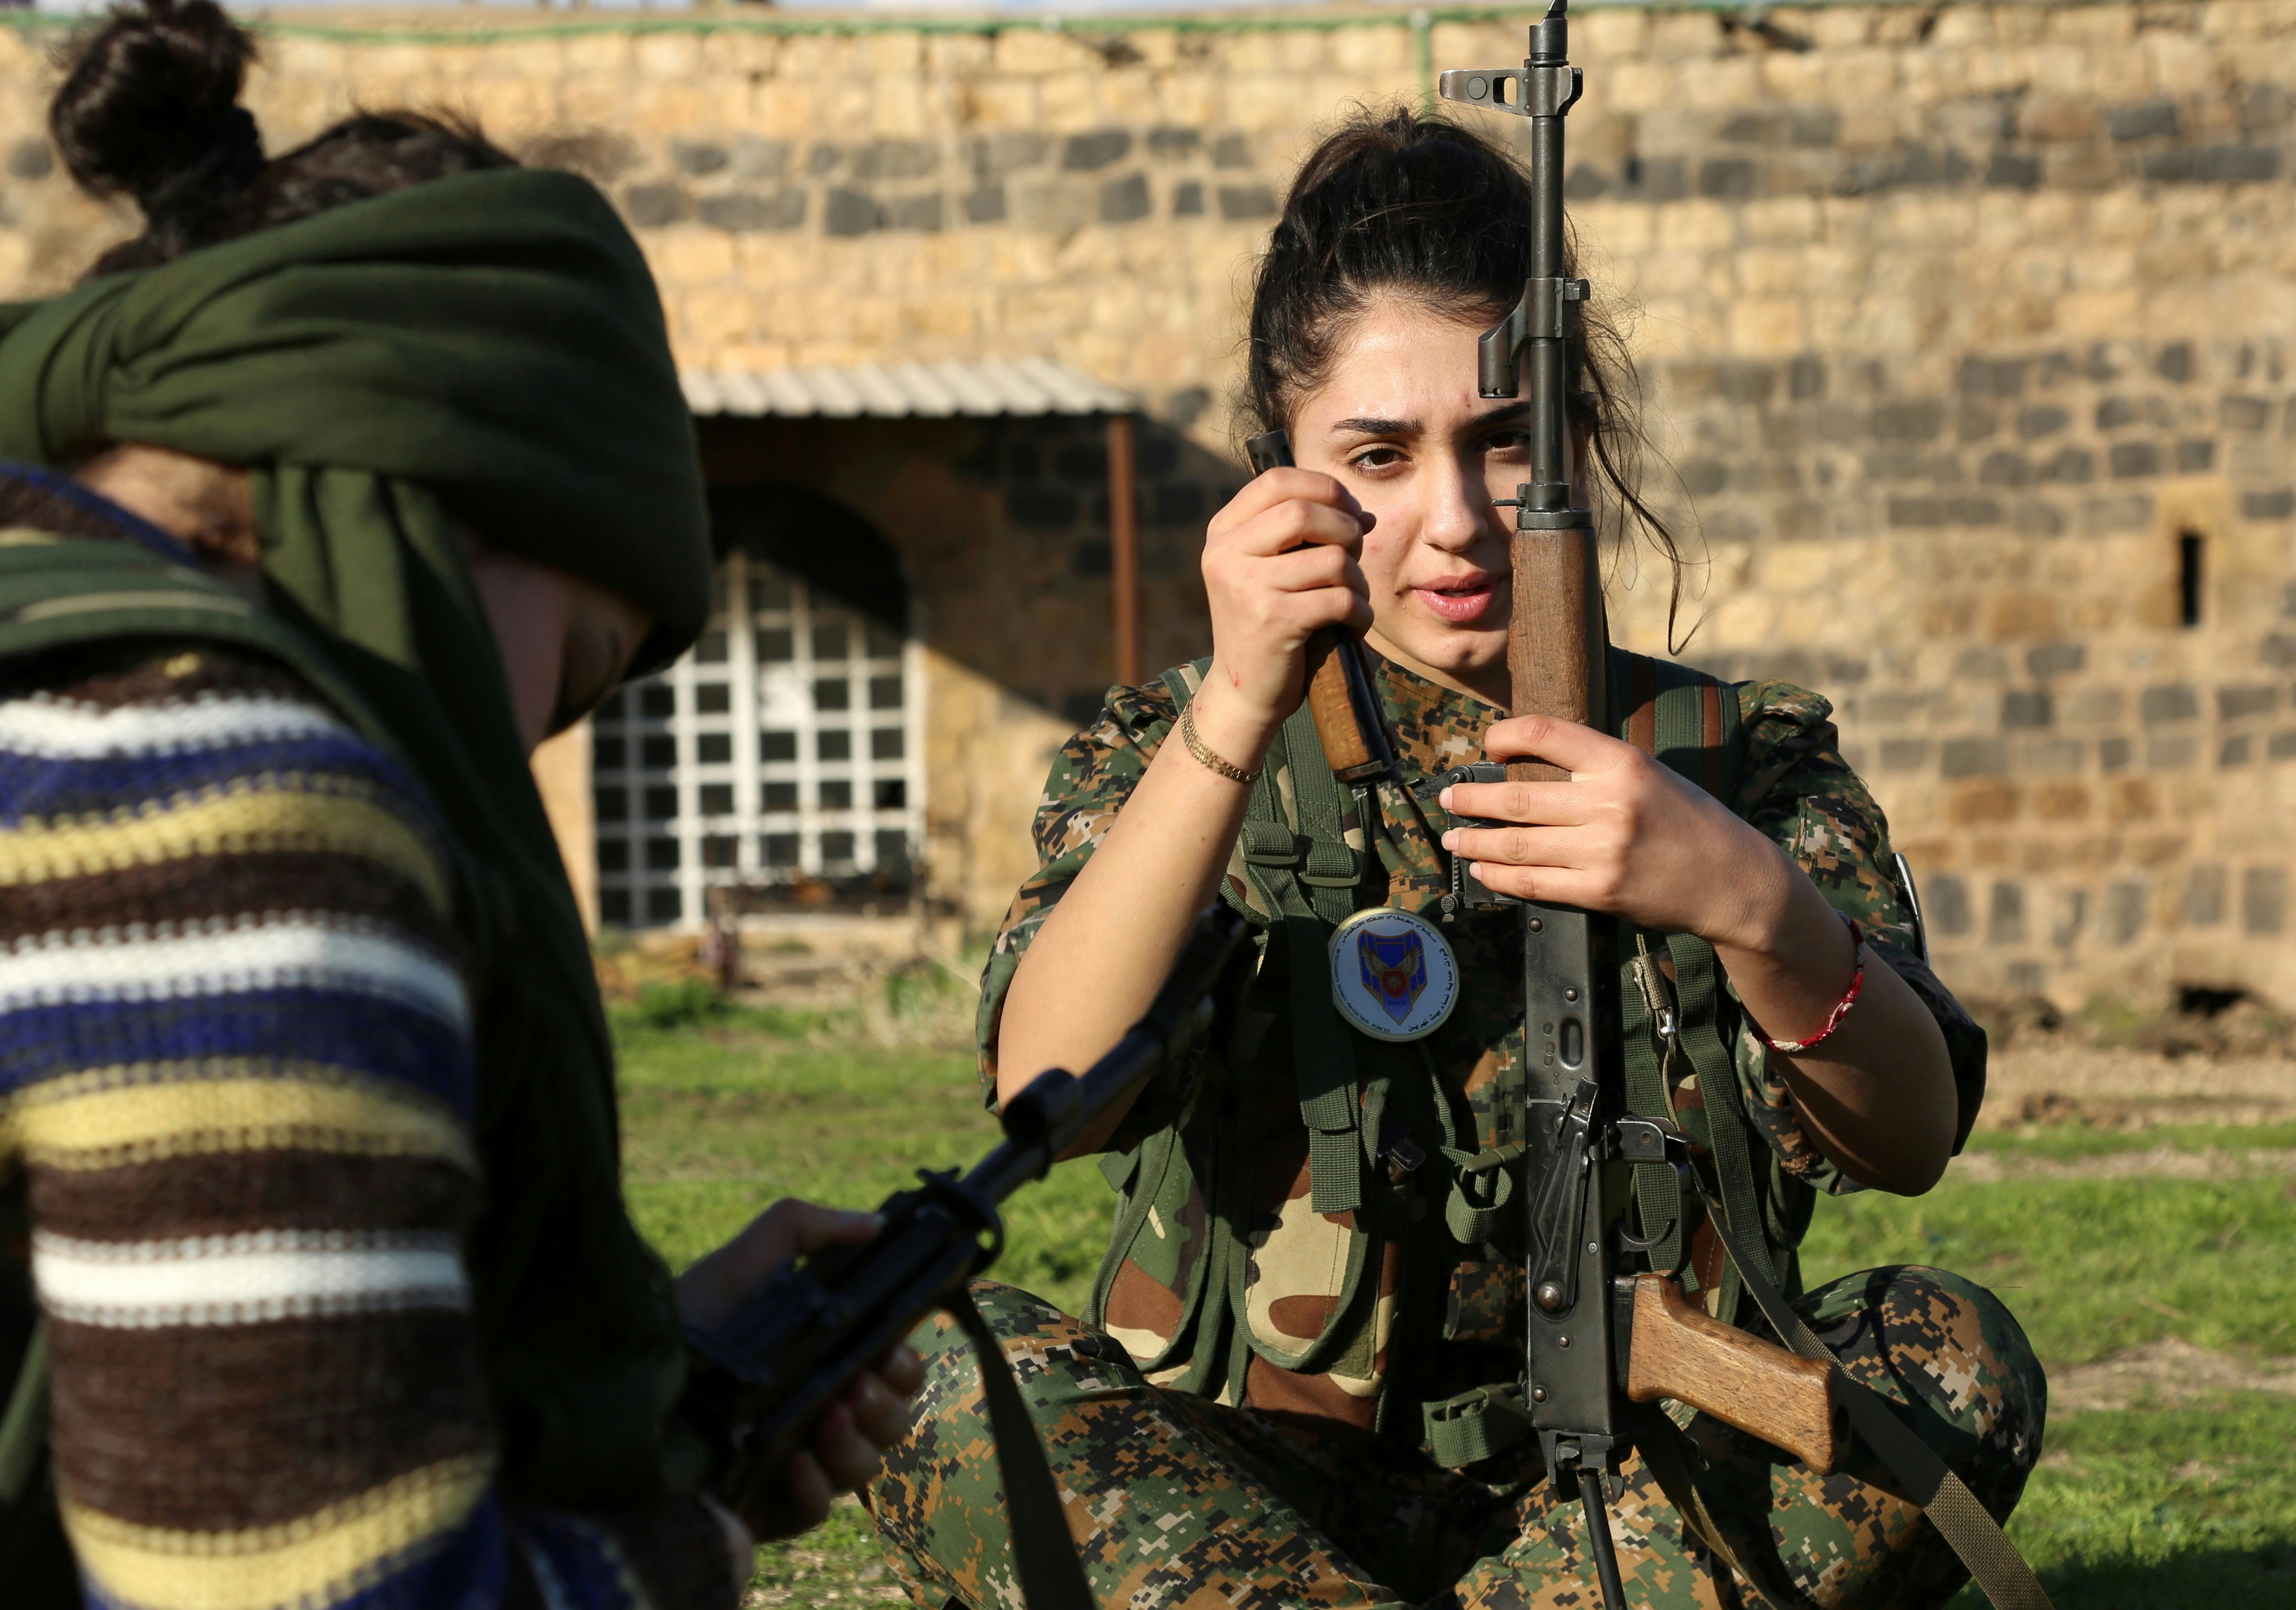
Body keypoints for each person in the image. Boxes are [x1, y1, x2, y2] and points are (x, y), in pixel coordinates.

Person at [0, 0, 915, 1609]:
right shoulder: (196, 808)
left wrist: (651, 1369)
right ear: (449, 507)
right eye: (573, 675)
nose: (527, 756)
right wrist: (692, 1541)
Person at [863, 111, 2045, 1608]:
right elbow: (1048, 1082)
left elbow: (1913, 1133)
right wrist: (1238, 701)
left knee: (1950, 1354)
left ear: (1581, 445)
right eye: (1379, 455)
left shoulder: (1735, 756)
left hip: (1639, 1492)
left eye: (1508, 444)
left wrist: (1748, 897)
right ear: (1276, 477)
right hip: (1258, 1504)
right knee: (921, 1363)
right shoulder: (1185, 747)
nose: (1459, 518)